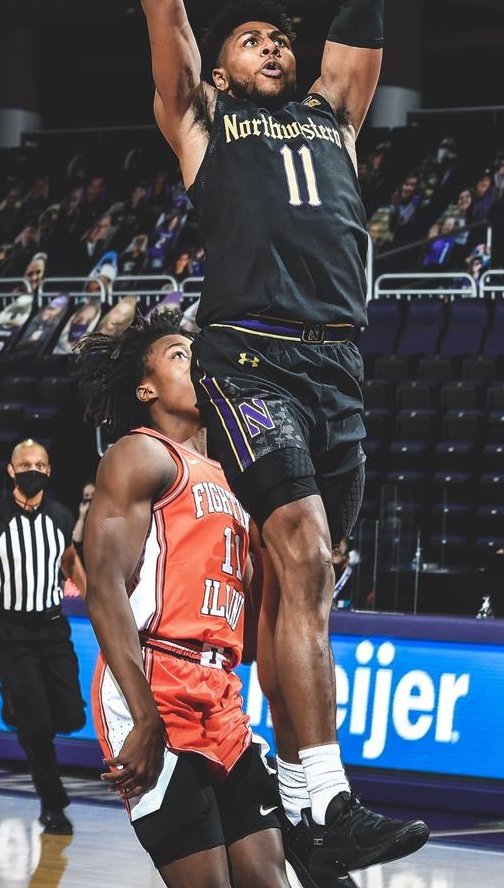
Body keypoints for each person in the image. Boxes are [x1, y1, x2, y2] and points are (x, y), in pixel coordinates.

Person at [128, 0, 427, 869]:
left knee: (304, 584)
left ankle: (300, 804)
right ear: (219, 64)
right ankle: (331, 798)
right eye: (250, 37)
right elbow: (164, 7)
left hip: (337, 363)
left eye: (279, 38)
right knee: (297, 546)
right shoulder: (203, 122)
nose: (272, 47)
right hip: (248, 353)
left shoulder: (331, 116)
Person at [74, 307, 296, 887]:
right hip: (154, 679)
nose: (196, 363)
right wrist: (144, 714)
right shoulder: (139, 453)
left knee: (270, 878)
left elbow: (247, 635)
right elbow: (103, 592)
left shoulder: (232, 472)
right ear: (146, 388)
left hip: (220, 690)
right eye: (180, 354)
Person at [0, 439, 88, 835]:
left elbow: (73, 568)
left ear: (49, 471)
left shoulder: (61, 518)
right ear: (11, 470)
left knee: (70, 716)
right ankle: (53, 803)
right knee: (38, 722)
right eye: (25, 463)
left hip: (52, 628)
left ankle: (14, 706)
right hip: (9, 631)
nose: (33, 470)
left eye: (41, 464)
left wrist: (99, 605)